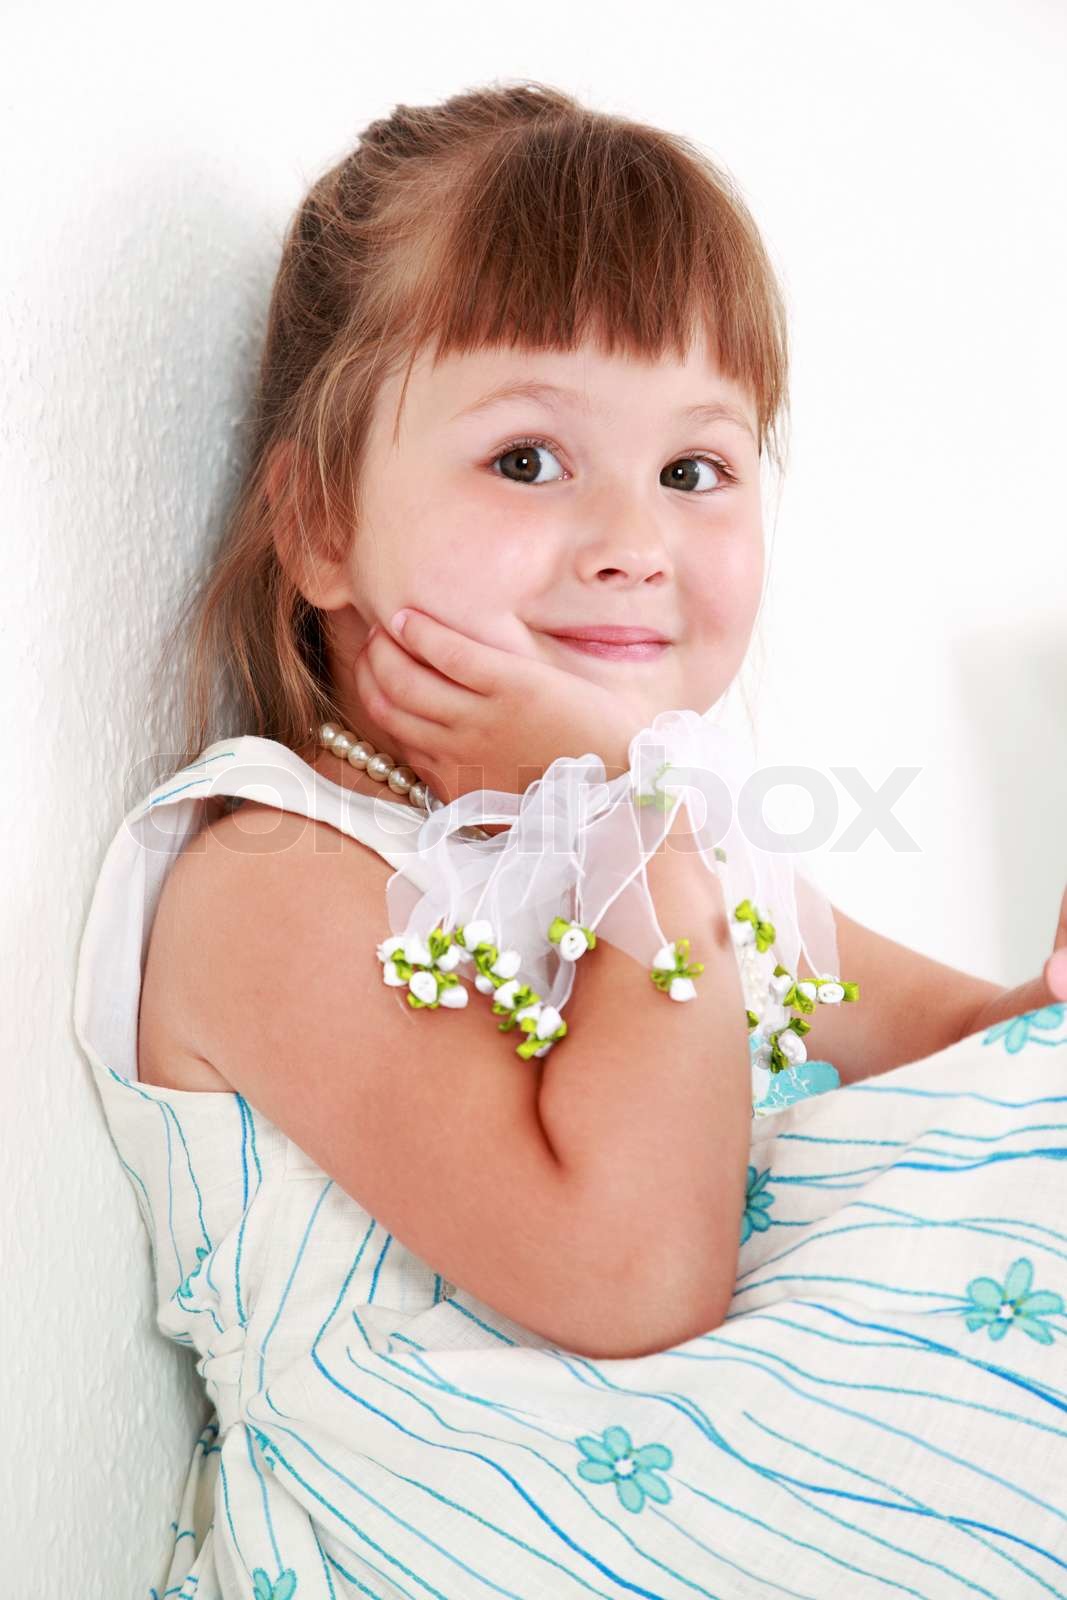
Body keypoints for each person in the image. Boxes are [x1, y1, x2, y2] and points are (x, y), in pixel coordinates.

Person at [74, 80, 1067, 1600]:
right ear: (324, 520)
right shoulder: (272, 880)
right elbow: (630, 1280)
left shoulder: (673, 826)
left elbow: (942, 1032)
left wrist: (1035, 1011)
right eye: (529, 459)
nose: (632, 540)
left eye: (695, 470)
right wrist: (632, 828)